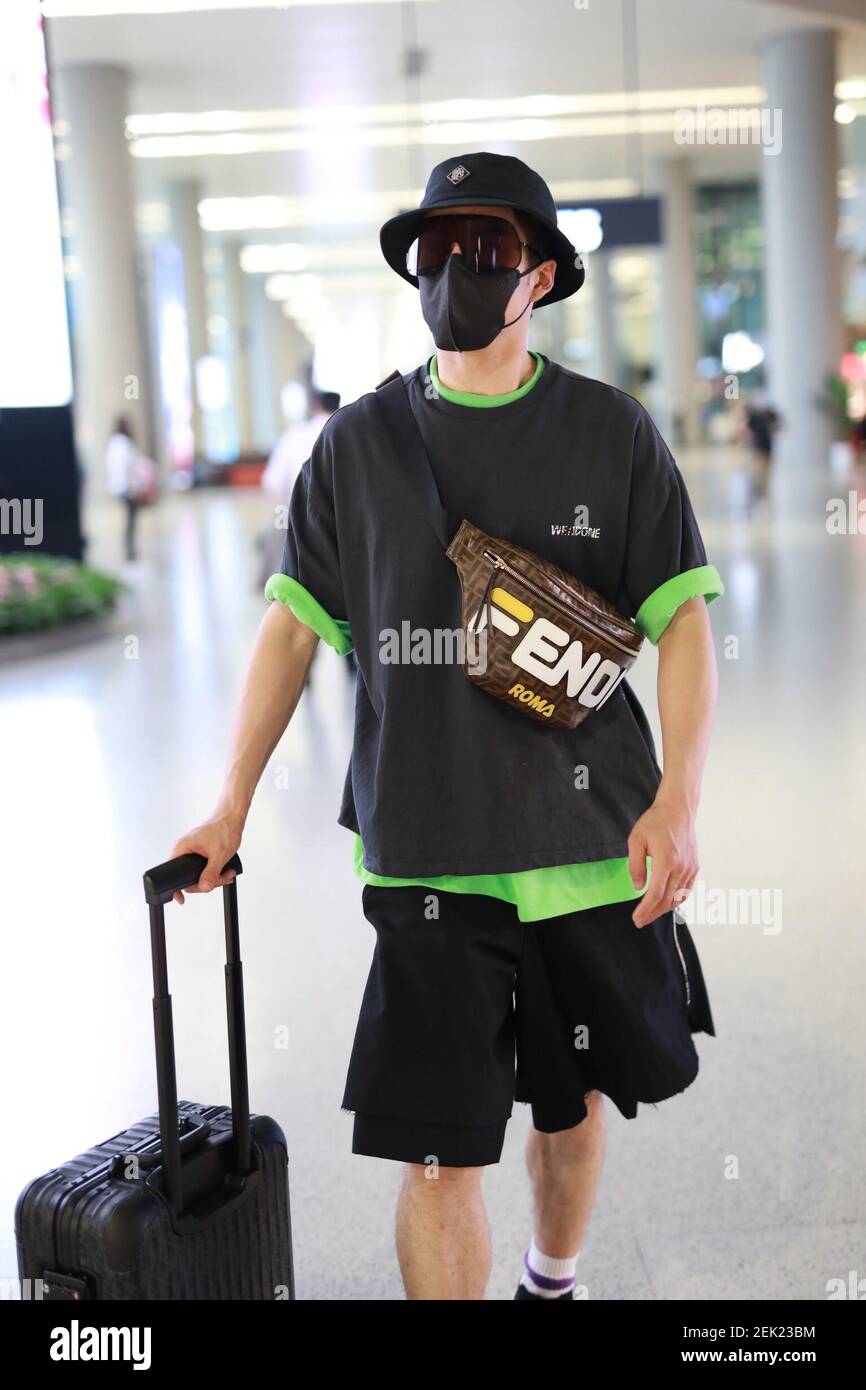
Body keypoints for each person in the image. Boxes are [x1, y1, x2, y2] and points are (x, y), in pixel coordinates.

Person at [168, 152, 725, 1301]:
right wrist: (230, 802)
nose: (456, 270)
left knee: (567, 1112)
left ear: (542, 278)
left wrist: (678, 797)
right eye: (436, 248)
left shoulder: (609, 434)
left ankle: (551, 1277)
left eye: (488, 250)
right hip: (426, 856)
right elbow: (290, 630)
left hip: (586, 857)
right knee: (433, 1157)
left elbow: (681, 623)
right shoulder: (357, 447)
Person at [257, 390, 341, 590]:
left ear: (315, 407)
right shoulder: (348, 433)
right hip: (342, 519)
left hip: (295, 514)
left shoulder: (293, 435)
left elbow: (272, 482)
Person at [105, 416, 155, 562]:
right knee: (131, 520)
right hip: (127, 488)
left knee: (131, 519)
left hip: (123, 486)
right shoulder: (122, 445)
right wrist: (134, 489)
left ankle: (130, 548)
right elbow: (126, 469)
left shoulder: (115, 443)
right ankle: (129, 549)